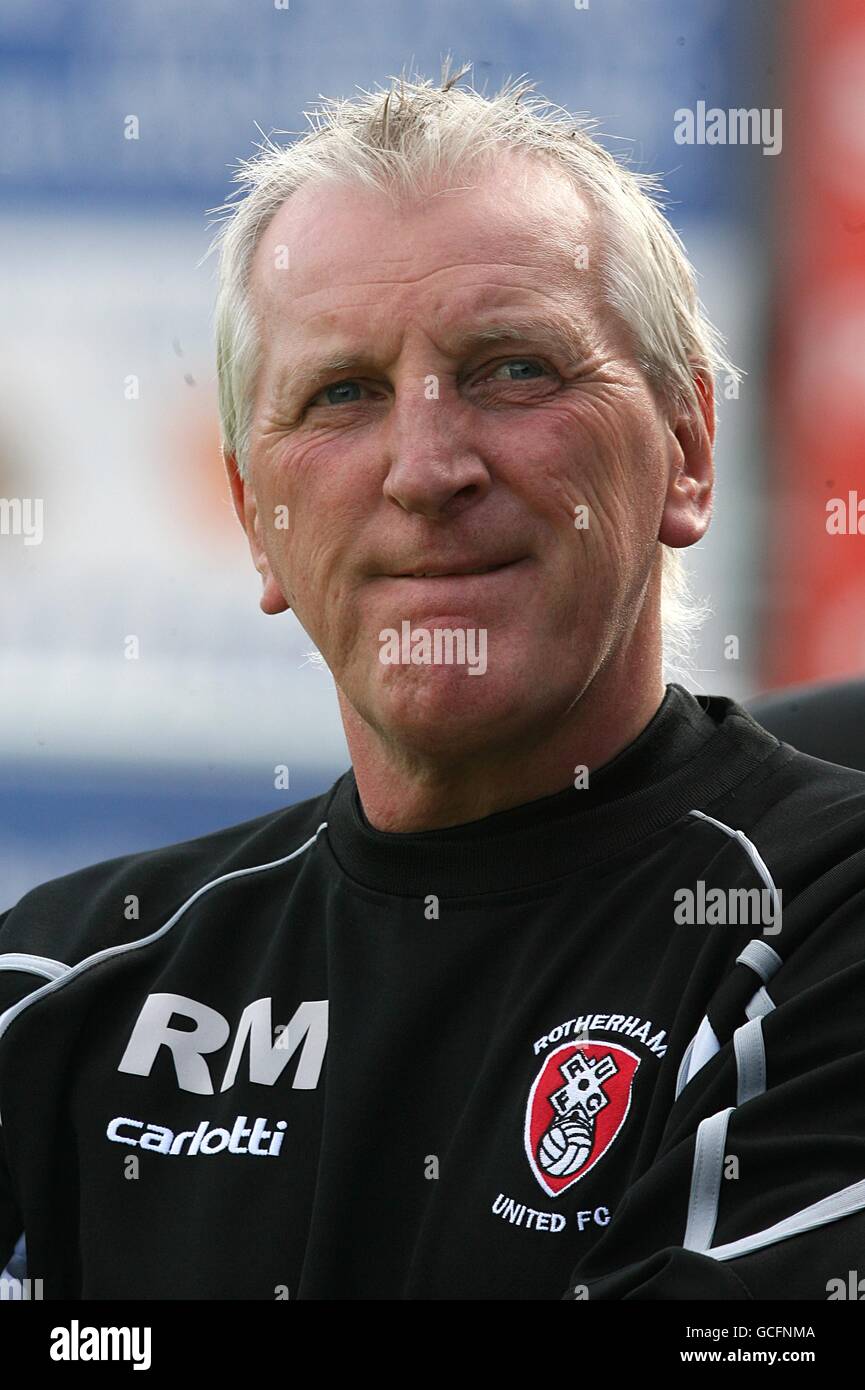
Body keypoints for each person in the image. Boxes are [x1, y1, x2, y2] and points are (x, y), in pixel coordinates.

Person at [2, 64, 865, 1301]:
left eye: (513, 369)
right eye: (343, 394)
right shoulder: (55, 987)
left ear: (686, 452)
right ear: (256, 521)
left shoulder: (818, 919)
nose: (425, 467)